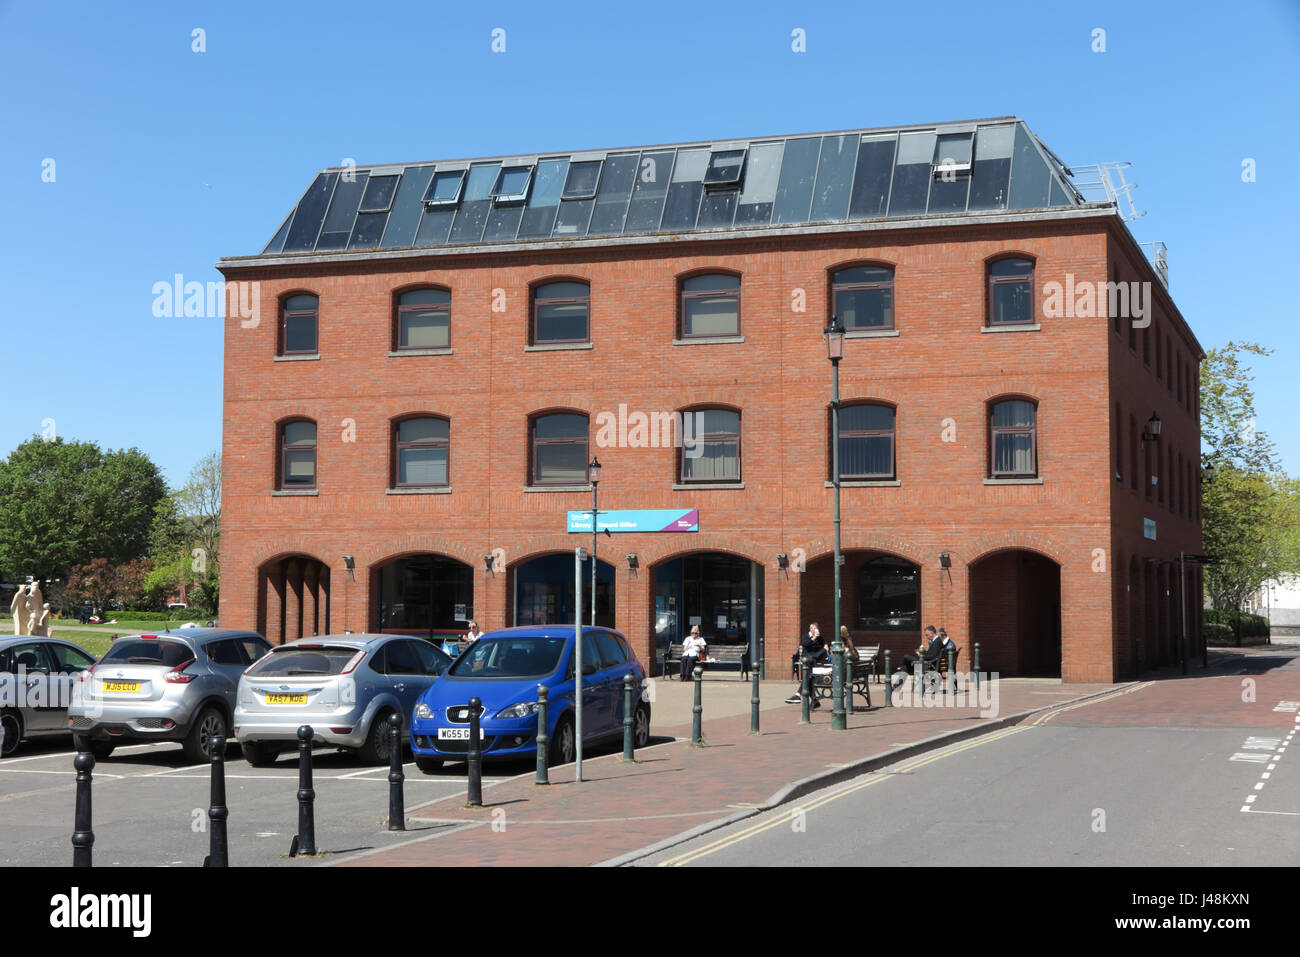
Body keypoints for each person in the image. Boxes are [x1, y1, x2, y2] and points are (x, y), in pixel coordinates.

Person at [894, 625, 944, 691]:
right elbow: (931, 654)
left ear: (932, 633)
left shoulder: (937, 642)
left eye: (927, 635)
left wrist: (920, 655)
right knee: (906, 668)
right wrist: (923, 652)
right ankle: (897, 685)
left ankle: (899, 673)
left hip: (927, 665)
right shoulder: (936, 641)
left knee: (906, 657)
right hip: (927, 663)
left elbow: (932, 656)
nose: (926, 637)